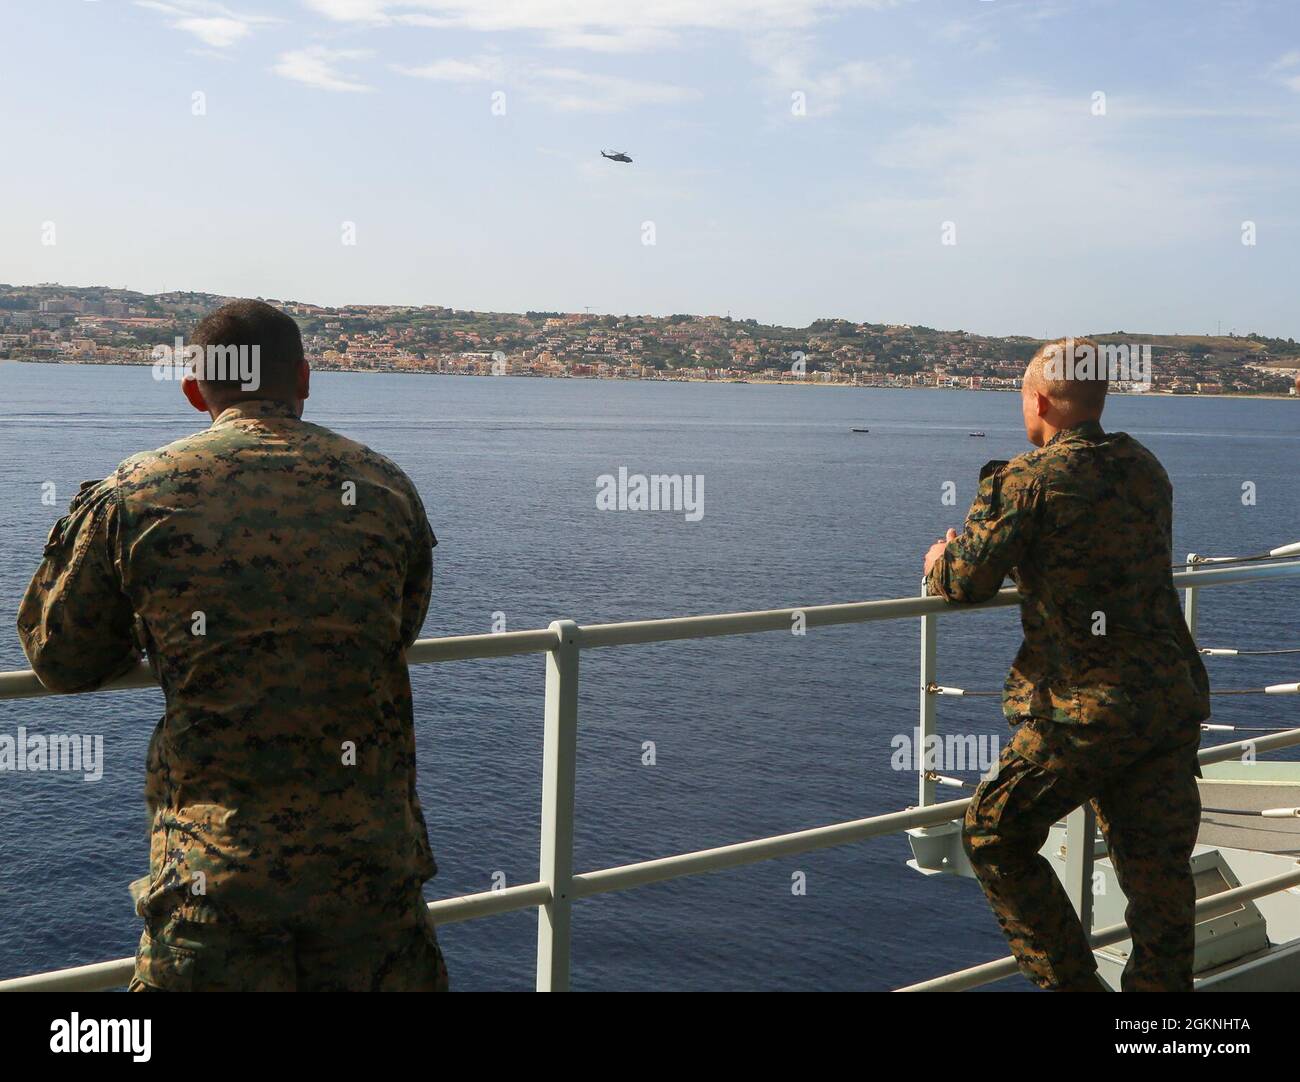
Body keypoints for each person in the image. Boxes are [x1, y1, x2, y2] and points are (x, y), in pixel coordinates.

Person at [17, 299, 448, 991]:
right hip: (372, 877)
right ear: (304, 379)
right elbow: (398, 628)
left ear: (194, 390)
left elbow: (60, 659)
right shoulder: (383, 486)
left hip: (214, 882)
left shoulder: (138, 491)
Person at [922, 337, 1210, 992]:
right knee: (1159, 887)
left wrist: (940, 559)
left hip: (1088, 709)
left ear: (1042, 401)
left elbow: (967, 579)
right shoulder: (1145, 469)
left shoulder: (1029, 481)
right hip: (1168, 702)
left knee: (994, 832)